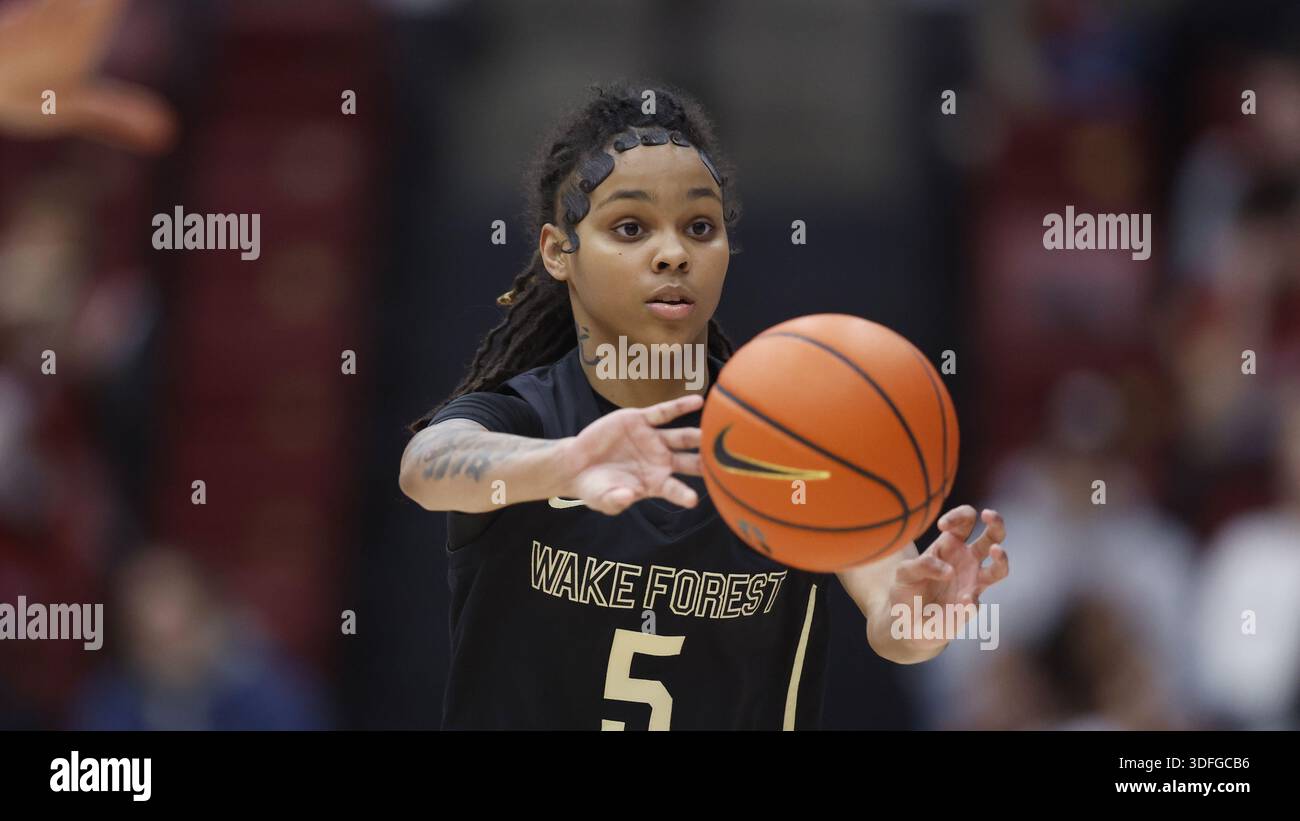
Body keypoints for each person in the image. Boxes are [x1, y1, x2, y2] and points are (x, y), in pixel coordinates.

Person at [399, 82, 1009, 729]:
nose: (674, 253)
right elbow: (426, 463)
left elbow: (896, 620)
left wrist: (924, 612)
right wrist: (565, 462)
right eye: (630, 227)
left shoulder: (796, 439)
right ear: (557, 251)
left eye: (700, 226)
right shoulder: (528, 420)